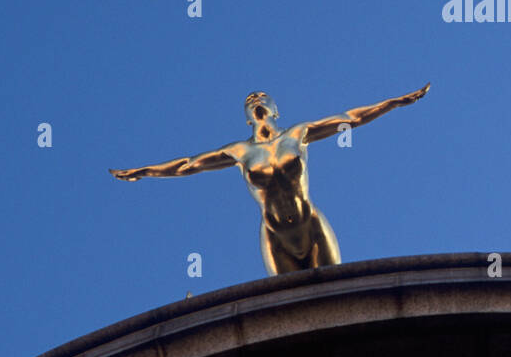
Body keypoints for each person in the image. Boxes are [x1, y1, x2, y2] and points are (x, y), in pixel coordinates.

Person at [110, 84, 429, 274]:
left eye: (262, 96)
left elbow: (351, 118)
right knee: (289, 307)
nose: (255, 99)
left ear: (275, 109)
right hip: (275, 235)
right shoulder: (238, 151)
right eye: (249, 99)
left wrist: (393, 103)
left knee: (336, 295)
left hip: (311, 225)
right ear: (246, 116)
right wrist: (145, 171)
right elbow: (187, 165)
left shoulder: (298, 134)